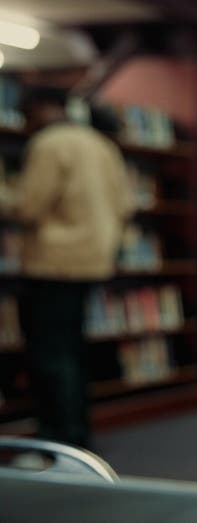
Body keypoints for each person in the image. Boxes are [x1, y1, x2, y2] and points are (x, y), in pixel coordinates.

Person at [0, 87, 132, 449]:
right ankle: (76, 434)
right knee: (72, 350)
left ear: (41, 108)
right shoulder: (102, 146)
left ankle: (57, 439)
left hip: (53, 262)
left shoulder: (50, 145)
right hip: (93, 261)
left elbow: (27, 206)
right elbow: (124, 204)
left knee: (50, 354)